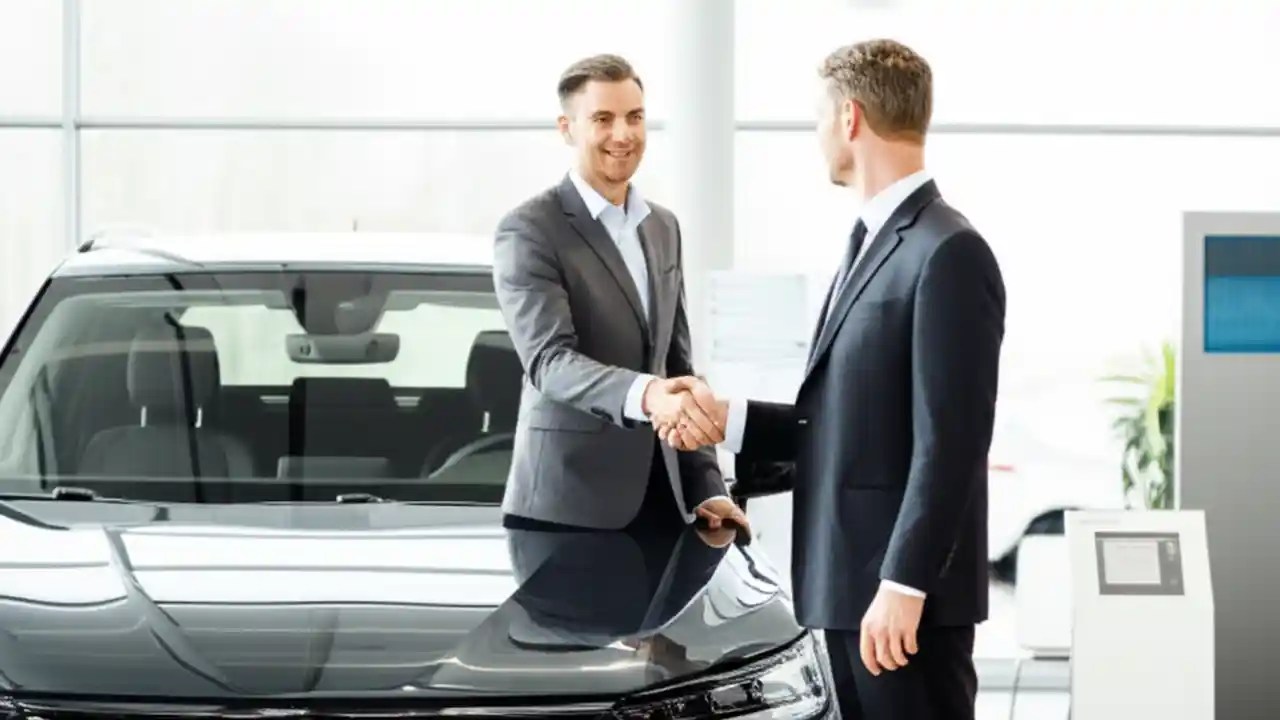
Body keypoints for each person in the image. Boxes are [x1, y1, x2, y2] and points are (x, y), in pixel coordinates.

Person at [661, 39, 1005, 719]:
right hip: (853, 592)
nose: (817, 136)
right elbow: (840, 426)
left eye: (819, 118)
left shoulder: (948, 251)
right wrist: (725, 418)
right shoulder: (873, 244)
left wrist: (904, 581)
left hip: (899, 605)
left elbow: (953, 442)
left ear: (849, 117)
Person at [492, 53, 749, 535]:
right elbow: (548, 360)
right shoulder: (530, 230)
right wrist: (650, 395)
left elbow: (677, 367)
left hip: (666, 506)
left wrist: (707, 486)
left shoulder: (662, 227)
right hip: (568, 509)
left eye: (634, 117)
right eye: (603, 119)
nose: (623, 135)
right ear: (567, 128)